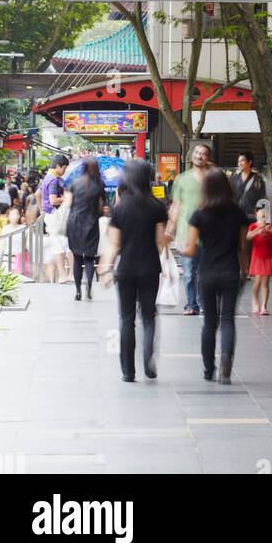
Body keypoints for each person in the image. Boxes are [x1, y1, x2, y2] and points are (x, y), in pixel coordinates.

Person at [99, 160, 168, 383]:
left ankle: (128, 371)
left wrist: (105, 269)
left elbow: (114, 244)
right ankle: (148, 358)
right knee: (148, 316)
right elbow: (160, 243)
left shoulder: (119, 208)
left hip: (126, 269)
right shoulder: (157, 207)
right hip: (150, 268)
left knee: (126, 319)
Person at [180, 166, 248, 384]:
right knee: (228, 319)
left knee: (209, 323)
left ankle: (209, 369)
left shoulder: (199, 215)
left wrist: (181, 247)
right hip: (231, 272)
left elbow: (190, 250)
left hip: (207, 273)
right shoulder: (237, 213)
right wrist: (244, 269)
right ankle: (227, 358)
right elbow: (242, 246)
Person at [166, 142, 210, 315]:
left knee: (203, 272)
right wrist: (170, 229)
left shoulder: (212, 179)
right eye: (197, 153)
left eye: (203, 153)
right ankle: (192, 304)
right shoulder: (181, 179)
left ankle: (202, 302)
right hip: (186, 232)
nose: (199, 156)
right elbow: (176, 205)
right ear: (192, 156)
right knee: (189, 272)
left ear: (208, 158)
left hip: (209, 233)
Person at [64, 157, 106, 301]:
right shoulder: (100, 184)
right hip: (92, 223)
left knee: (77, 257)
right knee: (89, 257)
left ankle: (77, 291)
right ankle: (89, 284)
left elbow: (68, 204)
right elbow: (101, 207)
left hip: (75, 223)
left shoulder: (74, 183)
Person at [39, 155, 71, 284]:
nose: (64, 170)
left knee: (58, 245)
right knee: (63, 245)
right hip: (55, 216)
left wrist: (42, 209)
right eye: (64, 168)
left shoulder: (47, 177)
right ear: (58, 166)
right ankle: (65, 275)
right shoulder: (54, 180)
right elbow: (53, 200)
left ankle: (63, 275)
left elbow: (38, 194)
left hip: (49, 215)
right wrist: (66, 198)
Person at [246, 199, 272, 314]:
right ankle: (255, 301)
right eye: (261, 211)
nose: (264, 213)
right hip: (257, 257)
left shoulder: (271, 226)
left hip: (268, 256)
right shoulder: (253, 226)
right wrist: (257, 231)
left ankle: (264, 306)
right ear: (256, 213)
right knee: (257, 281)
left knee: (266, 282)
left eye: (266, 211)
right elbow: (248, 237)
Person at [231, 150, 266, 220]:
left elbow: (262, 197)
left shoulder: (257, 179)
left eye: (242, 161)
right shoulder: (233, 179)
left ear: (249, 162)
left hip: (252, 216)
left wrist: (259, 212)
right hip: (236, 216)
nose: (239, 164)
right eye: (238, 161)